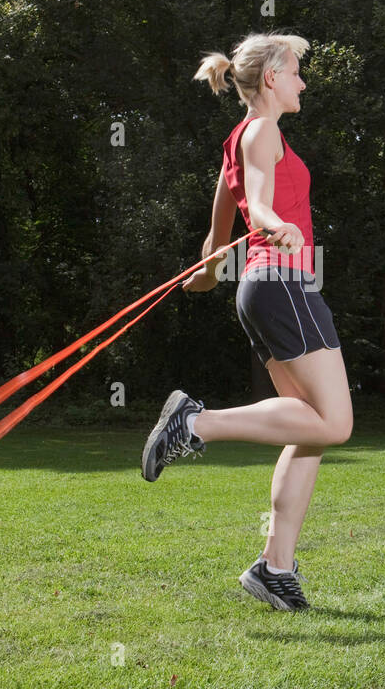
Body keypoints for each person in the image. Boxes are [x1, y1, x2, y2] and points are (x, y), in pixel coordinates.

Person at [140, 31, 353, 611]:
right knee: (334, 424)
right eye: (296, 72)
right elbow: (256, 201)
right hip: (284, 282)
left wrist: (208, 273)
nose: (303, 81)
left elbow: (218, 233)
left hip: (262, 289)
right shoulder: (262, 131)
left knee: (305, 429)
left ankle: (275, 570)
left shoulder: (237, 140)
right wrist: (273, 222)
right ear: (271, 79)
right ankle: (195, 423)